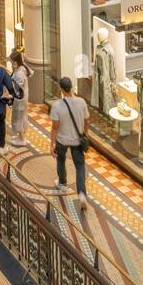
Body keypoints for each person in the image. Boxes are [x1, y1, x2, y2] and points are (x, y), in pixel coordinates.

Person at [49, 75, 89, 208]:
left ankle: (62, 183)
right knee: (80, 166)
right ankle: (82, 193)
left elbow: (55, 127)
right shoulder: (81, 102)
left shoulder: (56, 106)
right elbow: (86, 120)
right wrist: (85, 135)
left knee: (61, 160)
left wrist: (52, 144)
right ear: (71, 87)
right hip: (77, 140)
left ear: (61, 89)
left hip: (62, 140)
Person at [8, 50, 30, 146]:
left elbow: (16, 87)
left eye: (11, 61)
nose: (10, 63)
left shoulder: (20, 73)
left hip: (20, 100)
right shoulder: (22, 68)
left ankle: (22, 139)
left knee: (19, 118)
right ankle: (21, 136)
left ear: (15, 61)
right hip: (22, 98)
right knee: (21, 117)